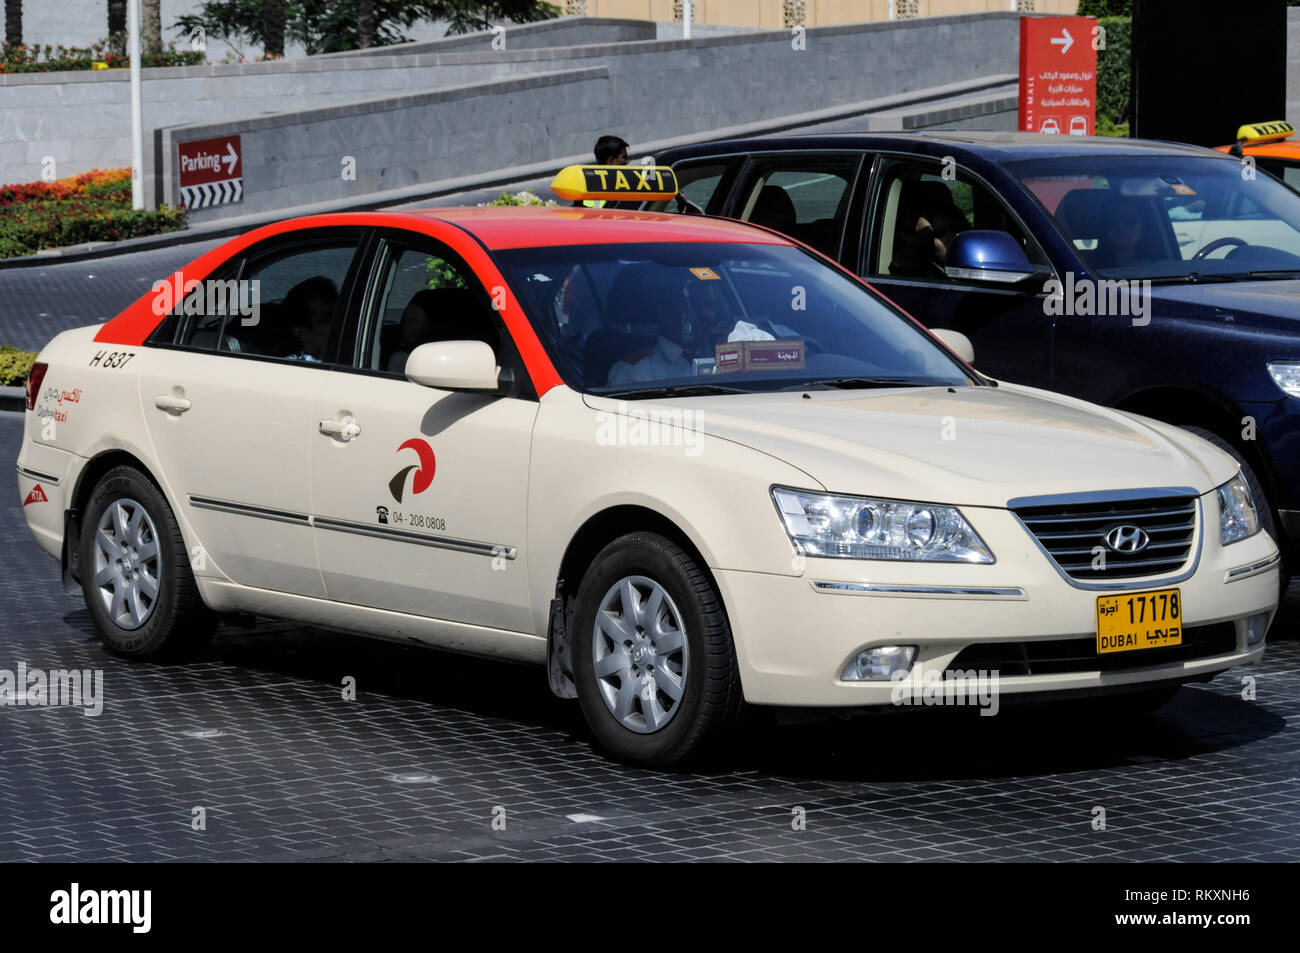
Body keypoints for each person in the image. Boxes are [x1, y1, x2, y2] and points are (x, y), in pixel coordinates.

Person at [283, 276, 338, 363]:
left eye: (340, 316)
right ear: (302, 333)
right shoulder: (290, 369)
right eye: (328, 319)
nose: (340, 325)